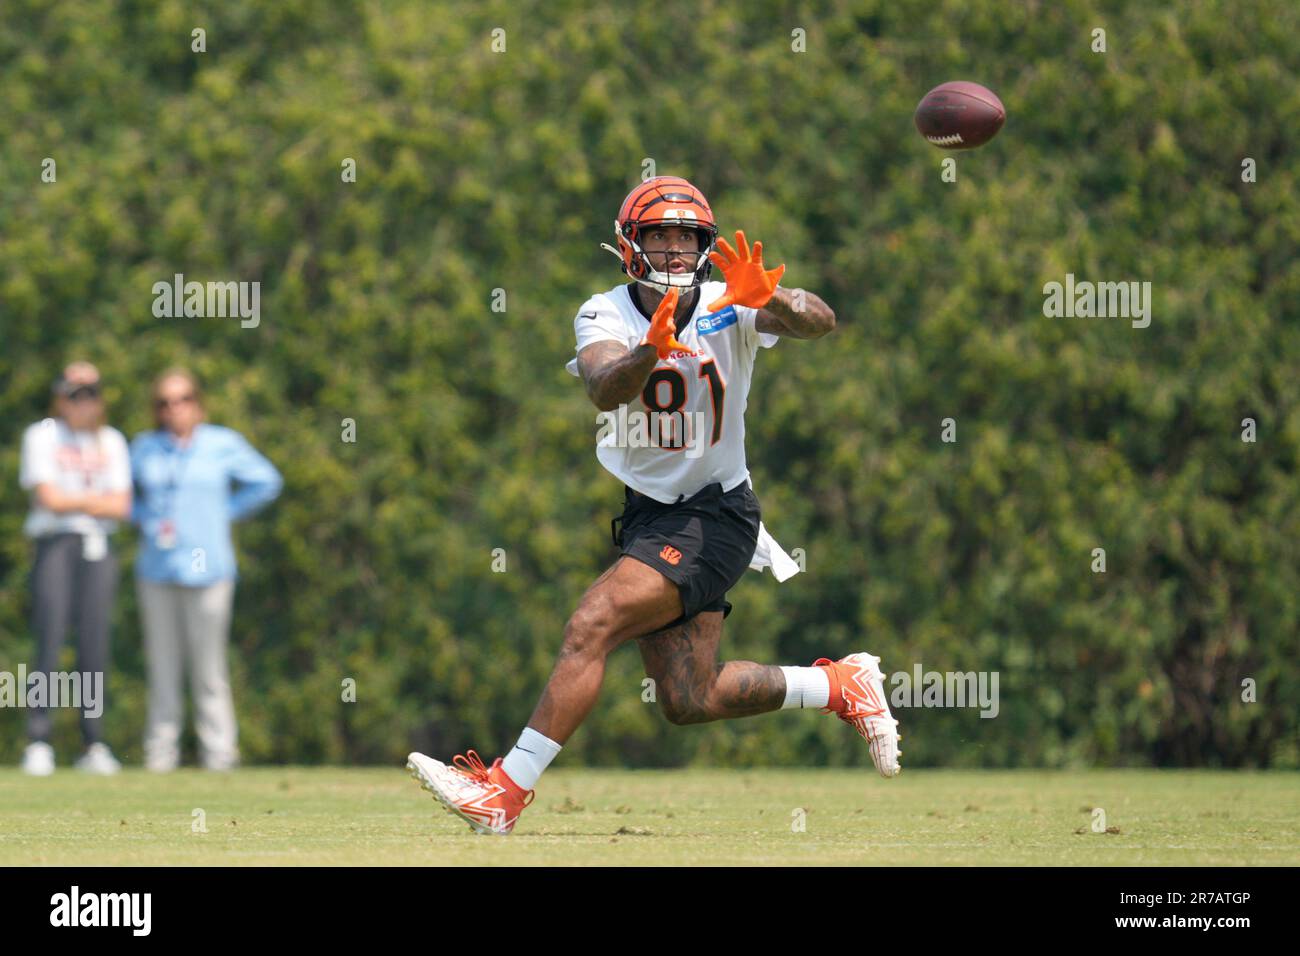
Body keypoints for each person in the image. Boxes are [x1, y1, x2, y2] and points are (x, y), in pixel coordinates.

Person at [408, 176, 900, 835]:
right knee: (689, 697)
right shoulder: (603, 310)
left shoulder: (731, 301)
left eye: (686, 237)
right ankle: (839, 686)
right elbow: (606, 388)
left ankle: (504, 793)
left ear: (705, 244)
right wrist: (650, 351)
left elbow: (821, 320)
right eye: (659, 236)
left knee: (592, 622)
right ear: (629, 245)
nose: (673, 249)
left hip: (715, 514)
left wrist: (771, 294)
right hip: (649, 513)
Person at [130, 368, 282, 771]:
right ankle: (160, 755)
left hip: (210, 570)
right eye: (164, 402)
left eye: (181, 400)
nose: (173, 409)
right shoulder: (144, 447)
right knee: (162, 666)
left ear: (197, 403)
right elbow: (121, 494)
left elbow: (266, 481)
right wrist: (143, 518)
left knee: (209, 668)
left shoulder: (222, 443)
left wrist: (225, 513)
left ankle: (220, 754)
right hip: (157, 569)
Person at [19, 362, 131, 775]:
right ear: (60, 397)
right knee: (48, 639)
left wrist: (78, 500)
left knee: (94, 645)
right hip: (55, 544)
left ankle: (93, 741)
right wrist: (93, 501)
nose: (82, 403)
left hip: (98, 547)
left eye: (90, 394)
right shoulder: (42, 435)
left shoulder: (113, 442)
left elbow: (122, 505)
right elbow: (49, 498)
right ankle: (38, 739)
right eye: (74, 394)